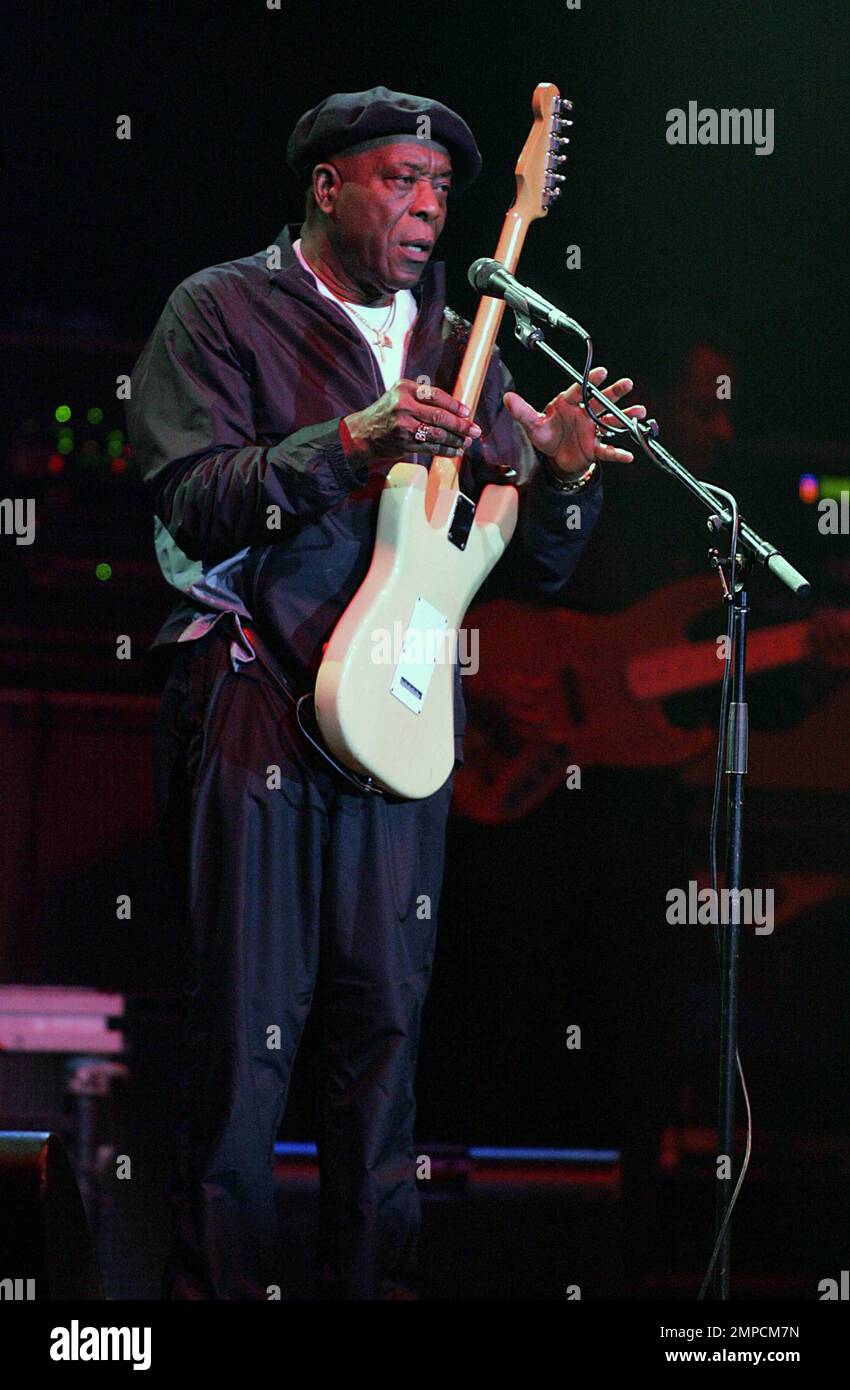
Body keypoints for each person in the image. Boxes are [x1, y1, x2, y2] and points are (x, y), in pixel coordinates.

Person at [127, 86, 645, 1300]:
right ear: (327, 187)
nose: (425, 209)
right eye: (399, 180)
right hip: (256, 696)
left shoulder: (462, 343)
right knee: (245, 1047)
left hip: (401, 721)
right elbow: (193, 497)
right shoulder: (221, 310)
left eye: (442, 190)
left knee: (386, 1047)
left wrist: (562, 476)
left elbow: (536, 562)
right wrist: (351, 442)